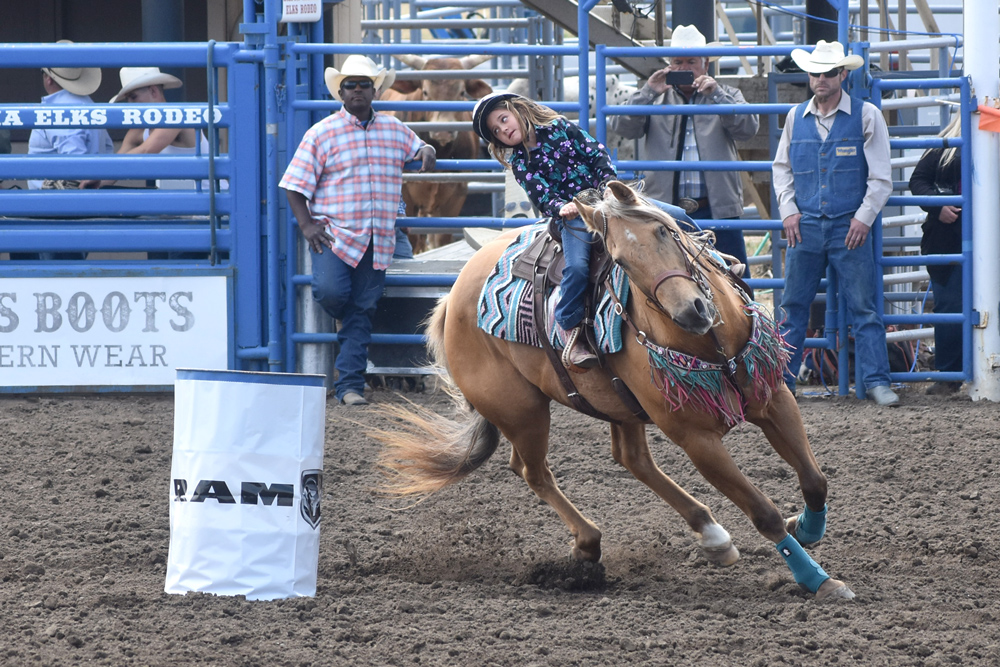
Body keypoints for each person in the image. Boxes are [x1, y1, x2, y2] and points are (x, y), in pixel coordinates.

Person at [472, 91, 698, 373]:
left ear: (517, 109)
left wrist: (608, 183)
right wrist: (561, 207)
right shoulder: (521, 162)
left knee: (675, 216)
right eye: (496, 130)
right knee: (577, 267)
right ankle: (570, 327)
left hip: (608, 198)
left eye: (503, 119)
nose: (503, 129)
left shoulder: (559, 127)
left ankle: (711, 262)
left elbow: (595, 153)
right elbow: (542, 196)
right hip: (576, 214)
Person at [280, 55, 436, 406]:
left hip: (377, 237)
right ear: (341, 92)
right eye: (350, 84)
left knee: (362, 308)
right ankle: (351, 358)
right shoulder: (321, 133)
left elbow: (418, 146)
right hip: (335, 235)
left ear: (375, 90)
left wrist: (427, 148)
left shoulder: (394, 129)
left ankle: (349, 386)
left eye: (364, 84)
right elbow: (293, 185)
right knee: (331, 293)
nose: (357, 90)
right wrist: (307, 225)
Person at [771, 40, 899, 407]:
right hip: (808, 224)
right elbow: (781, 170)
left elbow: (881, 178)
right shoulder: (797, 116)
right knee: (795, 306)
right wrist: (788, 210)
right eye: (815, 73)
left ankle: (875, 380)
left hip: (847, 225)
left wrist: (863, 218)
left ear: (842, 74)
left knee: (862, 307)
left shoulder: (866, 115)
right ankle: (782, 384)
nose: (821, 79)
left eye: (828, 72)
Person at [609, 25, 760, 268]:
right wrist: (648, 92)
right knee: (667, 276)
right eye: (678, 62)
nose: (684, 68)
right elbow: (621, 126)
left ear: (706, 64)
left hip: (717, 209)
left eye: (691, 61)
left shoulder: (726, 94)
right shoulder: (654, 98)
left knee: (733, 276)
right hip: (665, 210)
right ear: (669, 65)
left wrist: (717, 95)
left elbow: (748, 129)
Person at [19, 40, 113, 260]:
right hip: (81, 207)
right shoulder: (89, 105)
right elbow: (107, 149)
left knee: (57, 269)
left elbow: (73, 161)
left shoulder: (58, 109)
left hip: (55, 211)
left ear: (49, 78)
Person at [81, 67, 214, 191]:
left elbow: (145, 151)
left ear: (153, 91)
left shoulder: (175, 117)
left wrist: (100, 174)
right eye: (128, 99)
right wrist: (95, 184)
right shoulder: (138, 131)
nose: (130, 104)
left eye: (133, 97)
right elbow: (117, 168)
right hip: (179, 201)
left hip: (208, 200)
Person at [908, 114, 963, 395]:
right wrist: (938, 205)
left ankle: (951, 375)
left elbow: (917, 181)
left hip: (956, 240)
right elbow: (918, 181)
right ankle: (950, 374)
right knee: (950, 305)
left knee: (950, 306)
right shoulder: (944, 147)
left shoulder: (946, 146)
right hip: (949, 241)